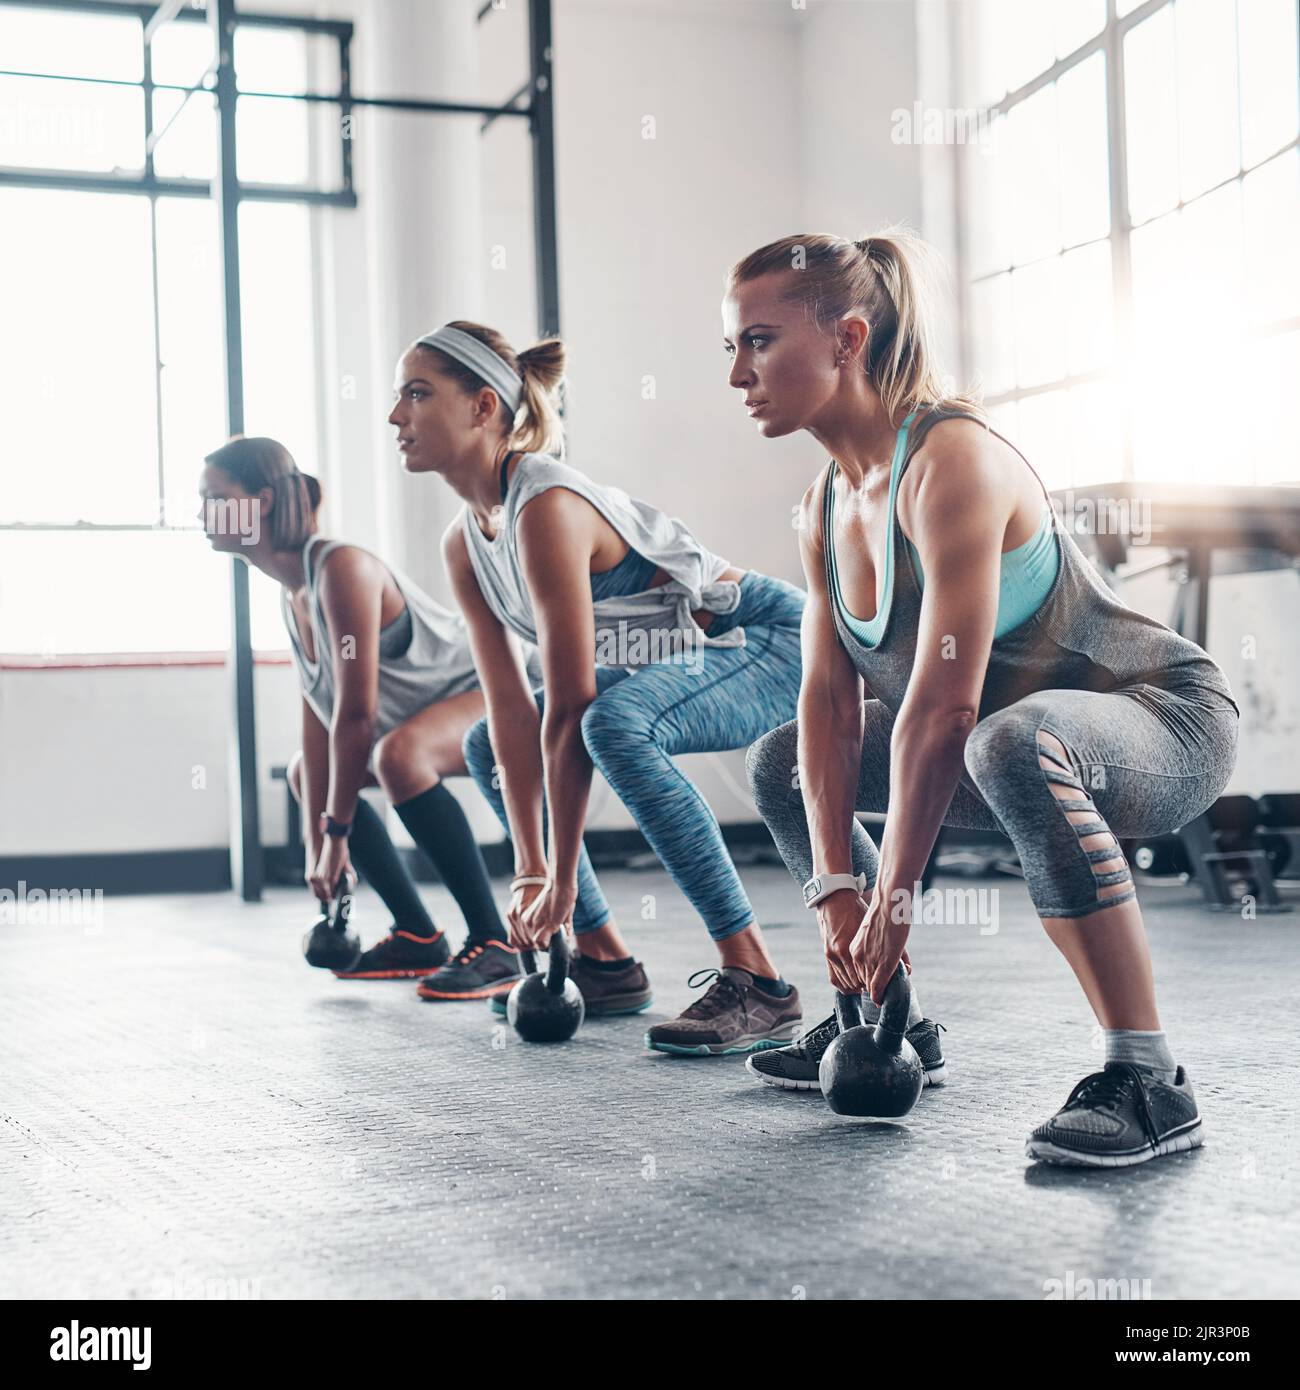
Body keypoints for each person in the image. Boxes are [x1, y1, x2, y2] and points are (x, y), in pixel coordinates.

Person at [730, 228, 1239, 1166]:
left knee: (1007, 741)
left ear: (846, 340)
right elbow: (828, 712)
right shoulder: (821, 505)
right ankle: (883, 1017)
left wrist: (895, 893)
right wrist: (838, 889)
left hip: (1164, 721)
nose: (737, 373)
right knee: (780, 760)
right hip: (1000, 740)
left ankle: (1150, 1079)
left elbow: (942, 708)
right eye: (733, 346)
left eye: (758, 341)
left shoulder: (948, 461)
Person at [387, 321, 809, 1054]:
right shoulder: (465, 541)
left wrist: (552, 870)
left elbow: (573, 702)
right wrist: (528, 870)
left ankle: (758, 980)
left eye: (417, 394)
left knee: (613, 726)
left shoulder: (545, 506)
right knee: (486, 741)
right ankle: (605, 957)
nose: (396, 416)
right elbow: (513, 708)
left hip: (771, 641)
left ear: (484, 407)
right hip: (670, 659)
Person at [200, 435, 533, 1002]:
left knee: (399, 756)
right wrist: (315, 842)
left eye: (213, 497)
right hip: (424, 712)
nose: (199, 513)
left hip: (497, 689)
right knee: (311, 770)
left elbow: (357, 715)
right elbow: (321, 715)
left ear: (258, 500)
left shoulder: (340, 568)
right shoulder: (292, 592)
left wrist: (337, 837)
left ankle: (493, 942)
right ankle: (417, 936)